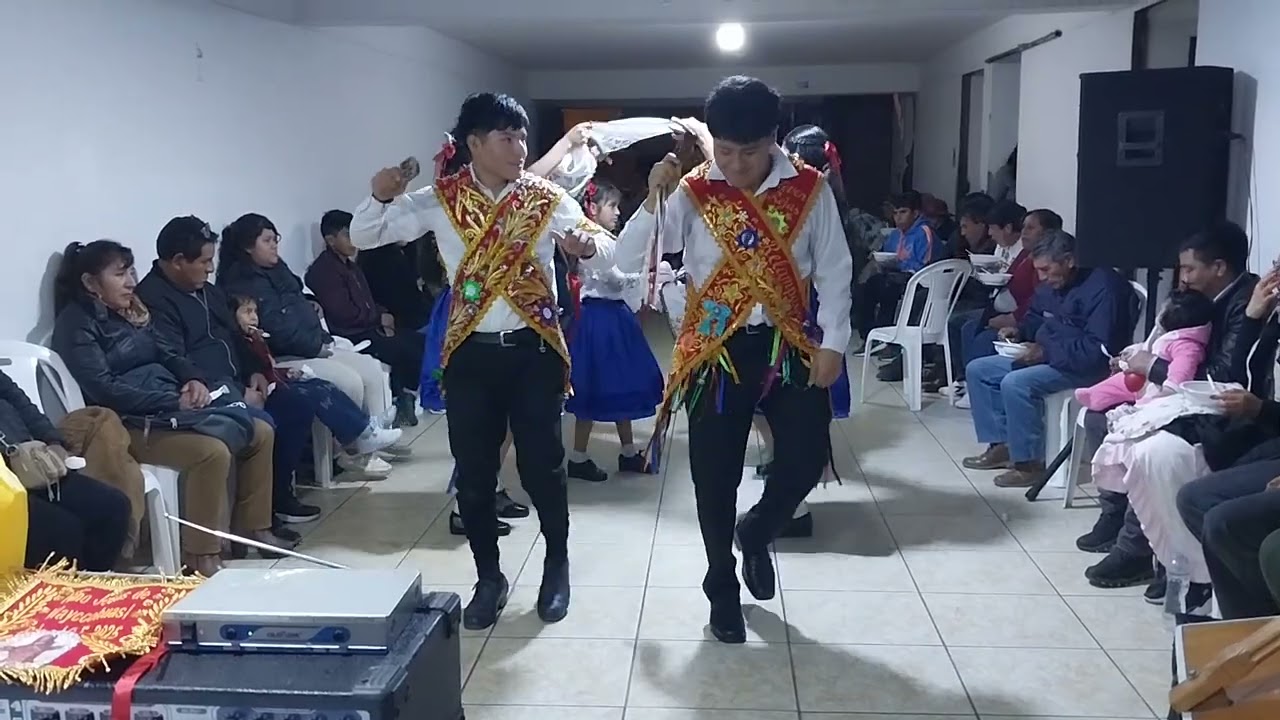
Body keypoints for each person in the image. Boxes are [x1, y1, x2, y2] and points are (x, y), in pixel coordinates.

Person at [349, 92, 616, 631]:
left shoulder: (544, 197)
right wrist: (377, 197)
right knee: (474, 476)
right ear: (474, 144)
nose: (519, 147)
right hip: (470, 355)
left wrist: (585, 248)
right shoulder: (439, 199)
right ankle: (488, 577)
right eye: (506, 137)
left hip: (534, 352)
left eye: (522, 137)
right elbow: (365, 235)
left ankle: (555, 566)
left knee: (544, 468)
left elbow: (602, 243)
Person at [639, 76, 852, 643]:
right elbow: (646, 255)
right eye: (725, 151)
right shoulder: (692, 190)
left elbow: (834, 269)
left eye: (749, 152)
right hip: (716, 350)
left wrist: (834, 343)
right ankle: (721, 587)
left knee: (807, 460)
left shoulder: (808, 189)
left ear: (773, 141)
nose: (733, 165)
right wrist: (653, 195)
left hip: (790, 346)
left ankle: (756, 532)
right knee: (715, 476)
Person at [51, 240, 289, 576]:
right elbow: (103, 388)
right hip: (130, 422)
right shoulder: (76, 325)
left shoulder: (135, 312)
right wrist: (171, 401)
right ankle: (201, 555)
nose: (131, 281)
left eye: (131, 271)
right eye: (120, 274)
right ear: (91, 283)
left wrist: (193, 380)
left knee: (260, 430)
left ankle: (252, 530)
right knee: (211, 452)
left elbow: (169, 353)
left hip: (169, 406)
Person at [1078, 222, 1280, 595]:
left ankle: (1156, 555)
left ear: (1218, 268)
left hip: (1229, 415)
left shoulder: (1248, 304)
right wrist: (1134, 361)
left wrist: (1151, 366)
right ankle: (1125, 525)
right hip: (1201, 400)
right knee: (1101, 418)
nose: (1182, 278)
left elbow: (1226, 376)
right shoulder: (1224, 300)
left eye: (1189, 269)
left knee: (1149, 447)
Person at [136, 215, 323, 530]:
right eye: (204, 261)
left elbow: (235, 335)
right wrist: (238, 393)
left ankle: (277, 496)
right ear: (179, 261)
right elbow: (175, 360)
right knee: (261, 424)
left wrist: (254, 372)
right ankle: (253, 522)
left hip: (238, 383)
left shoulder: (207, 292)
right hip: (206, 394)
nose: (210, 269)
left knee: (298, 405)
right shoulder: (153, 300)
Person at [217, 213, 405, 476]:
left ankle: (373, 437)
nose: (274, 245)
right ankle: (350, 452)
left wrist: (309, 302)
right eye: (267, 240)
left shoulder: (276, 269)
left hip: (311, 343)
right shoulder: (243, 281)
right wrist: (315, 346)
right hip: (286, 354)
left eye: (276, 239)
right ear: (249, 246)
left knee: (370, 368)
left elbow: (295, 295)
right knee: (348, 379)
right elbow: (276, 328)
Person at [961, 229, 1133, 488]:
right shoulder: (1051, 285)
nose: (1041, 278)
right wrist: (1019, 331)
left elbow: (1098, 351)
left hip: (1086, 366)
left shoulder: (1105, 289)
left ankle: (1029, 464)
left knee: (1016, 383)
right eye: (1037, 270)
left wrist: (1046, 352)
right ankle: (1004, 444)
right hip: (1049, 355)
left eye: (1045, 269)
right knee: (978, 370)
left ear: (1069, 260)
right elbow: (1037, 317)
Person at [752, 124, 855, 536]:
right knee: (790, 415)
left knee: (790, 410)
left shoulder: (812, 200)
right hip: (804, 318)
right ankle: (787, 488)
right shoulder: (829, 200)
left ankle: (790, 505)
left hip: (799, 323)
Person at [564, 178, 665, 482]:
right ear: (592, 208)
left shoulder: (606, 238)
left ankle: (628, 451)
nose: (617, 212)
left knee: (619, 383)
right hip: (598, 321)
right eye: (611, 206)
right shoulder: (589, 240)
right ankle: (578, 456)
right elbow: (614, 279)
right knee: (593, 387)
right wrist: (643, 272)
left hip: (614, 317)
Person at [0, 369, 131, 572]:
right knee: (63, 529)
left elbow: (17, 399)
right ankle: (56, 596)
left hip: (28, 463)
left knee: (113, 506)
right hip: (4, 486)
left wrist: (52, 439)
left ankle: (93, 587)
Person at [308, 210, 425, 427]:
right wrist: (378, 319)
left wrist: (382, 313)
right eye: (347, 234)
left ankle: (405, 397)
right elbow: (344, 314)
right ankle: (399, 403)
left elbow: (368, 300)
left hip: (371, 326)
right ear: (330, 240)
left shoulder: (351, 266)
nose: (353, 239)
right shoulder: (323, 272)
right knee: (403, 350)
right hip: (352, 335)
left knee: (418, 343)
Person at [928, 200, 1038, 401]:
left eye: (1030, 228)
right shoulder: (1010, 250)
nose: (990, 234)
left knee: (973, 327)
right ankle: (961, 379)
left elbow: (1032, 298)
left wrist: (1013, 318)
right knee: (957, 322)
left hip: (1013, 312)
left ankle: (974, 386)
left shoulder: (1031, 258)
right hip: (998, 303)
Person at [1075, 289, 1214, 411]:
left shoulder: (1187, 346)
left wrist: (1171, 387)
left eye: (1163, 311)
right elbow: (1149, 347)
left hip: (1158, 390)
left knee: (1142, 403)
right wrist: (1129, 355)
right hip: (1140, 380)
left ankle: (1133, 409)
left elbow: (1182, 370)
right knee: (1116, 382)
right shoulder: (1169, 336)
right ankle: (1095, 395)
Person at [853, 190, 937, 355]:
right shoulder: (895, 234)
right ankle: (869, 336)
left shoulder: (924, 233)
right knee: (866, 287)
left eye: (903, 212)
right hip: (894, 275)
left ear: (916, 213)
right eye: (895, 213)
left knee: (888, 288)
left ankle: (887, 340)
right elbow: (887, 254)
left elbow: (925, 264)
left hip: (919, 280)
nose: (898, 217)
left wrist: (900, 263)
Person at [357, 231, 432, 332]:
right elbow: (406, 298)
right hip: (407, 320)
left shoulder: (368, 255)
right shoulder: (387, 258)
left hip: (405, 315)